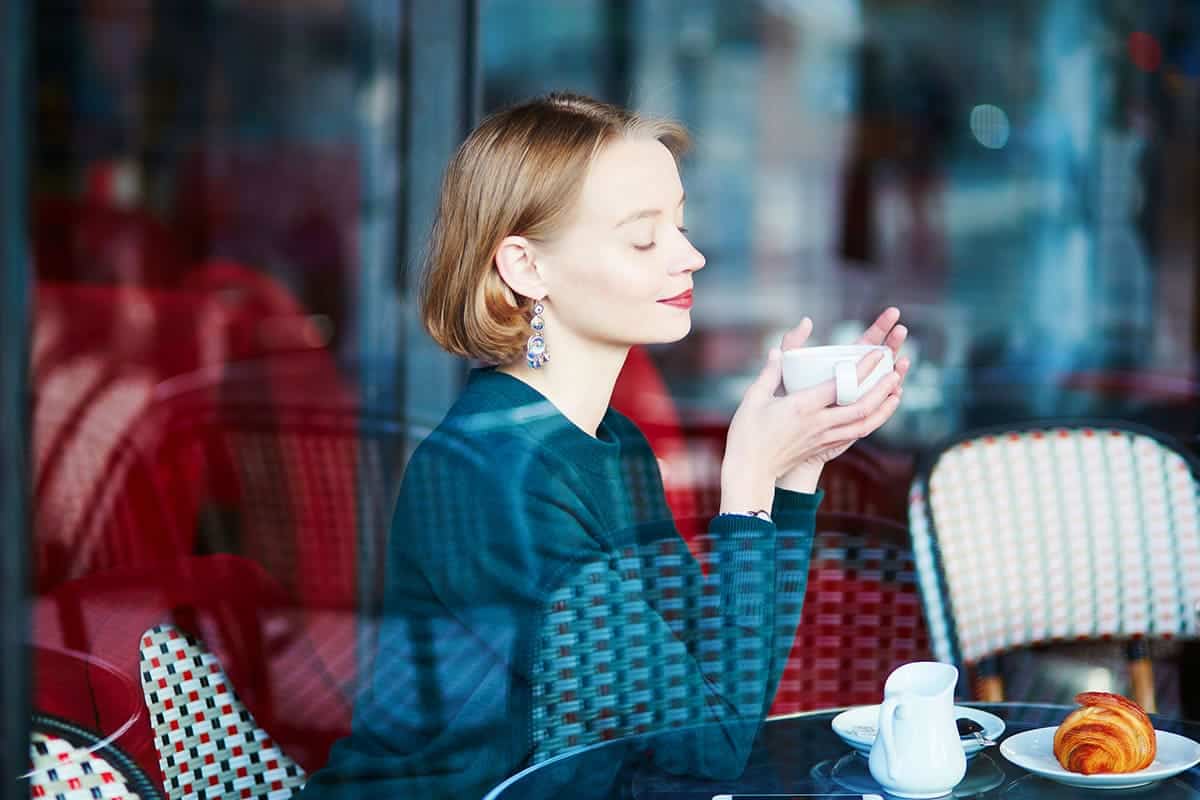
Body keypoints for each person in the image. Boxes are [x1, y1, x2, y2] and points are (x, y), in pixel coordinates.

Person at [300, 92, 909, 799]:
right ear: (525, 268)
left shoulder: (612, 445)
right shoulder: (492, 474)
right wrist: (747, 481)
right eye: (643, 237)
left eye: (680, 224)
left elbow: (717, 698)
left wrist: (799, 469)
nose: (691, 255)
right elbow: (708, 742)